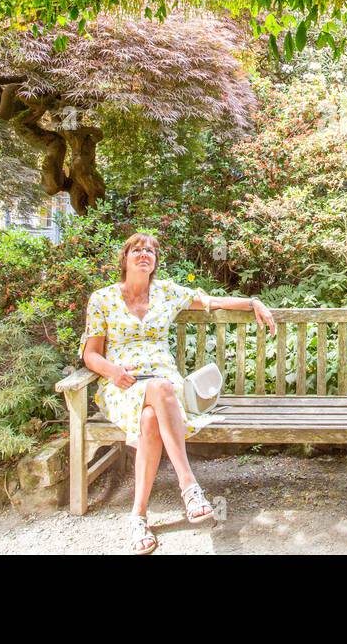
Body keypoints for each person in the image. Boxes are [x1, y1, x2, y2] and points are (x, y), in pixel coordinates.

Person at [80, 232, 276, 554]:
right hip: (122, 387)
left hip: (163, 387)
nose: (144, 254)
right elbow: (91, 355)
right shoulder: (102, 299)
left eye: (150, 251)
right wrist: (114, 372)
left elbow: (210, 302)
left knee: (151, 416)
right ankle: (190, 487)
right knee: (157, 393)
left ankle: (138, 517)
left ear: (155, 262)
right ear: (125, 259)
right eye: (137, 250)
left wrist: (253, 302)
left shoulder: (167, 293)